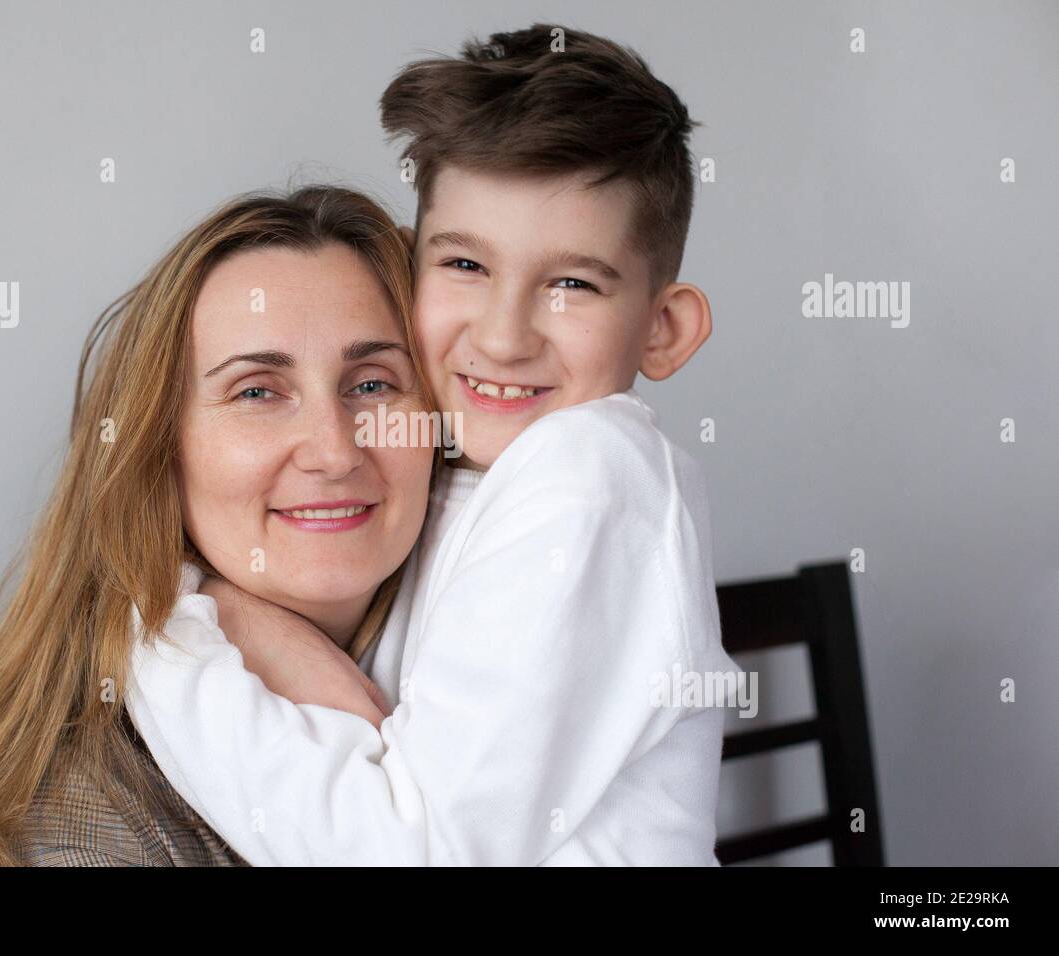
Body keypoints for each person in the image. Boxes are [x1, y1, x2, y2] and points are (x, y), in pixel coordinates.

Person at [125, 25, 743, 865]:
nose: (501, 337)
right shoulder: (446, 470)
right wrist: (249, 617)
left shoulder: (588, 477)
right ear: (410, 273)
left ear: (664, 330)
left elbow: (418, 850)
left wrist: (166, 642)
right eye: (465, 266)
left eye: (571, 284)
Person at [0, 186, 435, 865]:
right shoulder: (97, 819)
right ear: (159, 449)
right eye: (257, 391)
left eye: (373, 383)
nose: (335, 451)